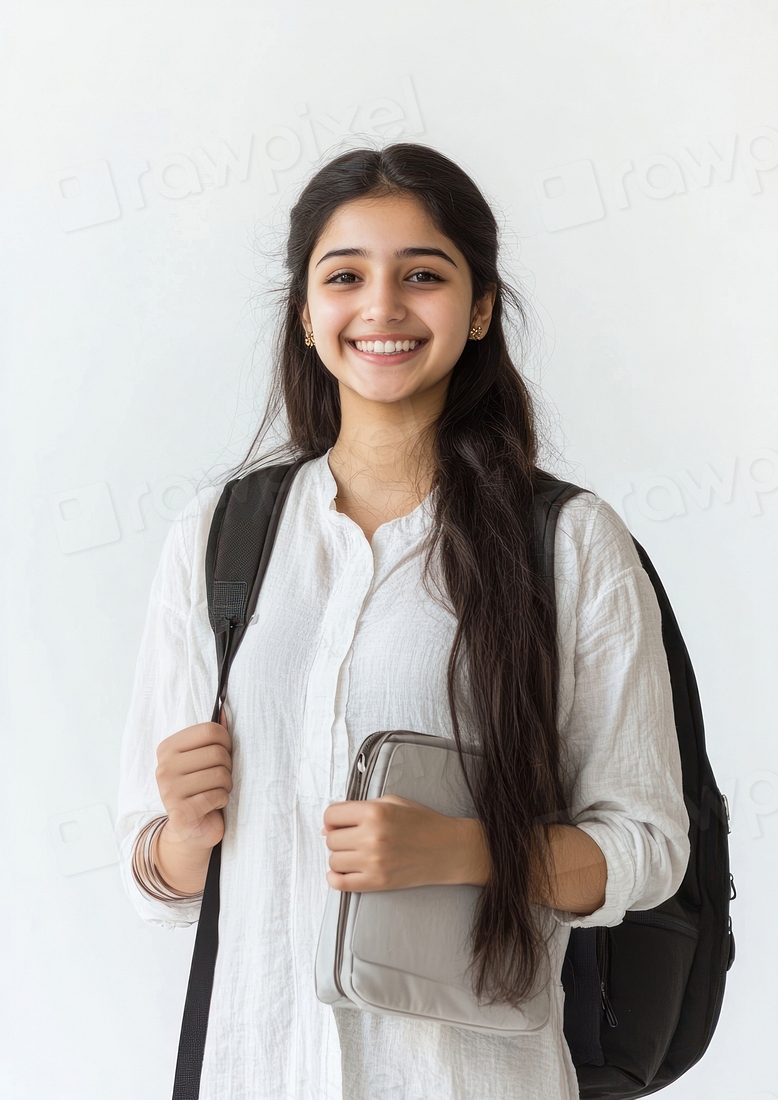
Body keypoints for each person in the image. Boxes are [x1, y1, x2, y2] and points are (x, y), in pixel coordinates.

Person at [115, 142, 690, 1100]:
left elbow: (651, 848)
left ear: (480, 309)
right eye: (345, 276)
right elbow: (157, 882)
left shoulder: (570, 542)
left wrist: (470, 853)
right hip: (253, 1068)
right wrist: (182, 830)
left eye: (423, 275)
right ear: (306, 314)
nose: (381, 307)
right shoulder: (219, 537)